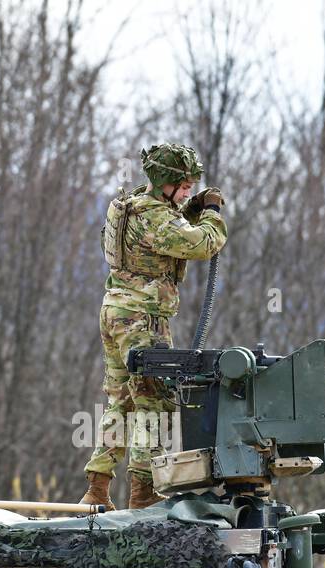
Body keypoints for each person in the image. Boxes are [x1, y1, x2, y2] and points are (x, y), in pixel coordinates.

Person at [79, 143, 227, 510]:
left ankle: (97, 488)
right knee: (153, 403)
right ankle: (142, 492)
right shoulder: (155, 217)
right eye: (184, 184)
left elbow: (167, 228)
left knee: (122, 400)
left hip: (115, 310)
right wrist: (211, 212)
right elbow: (204, 242)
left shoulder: (130, 206)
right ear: (165, 181)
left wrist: (190, 207)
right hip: (142, 319)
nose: (189, 189)